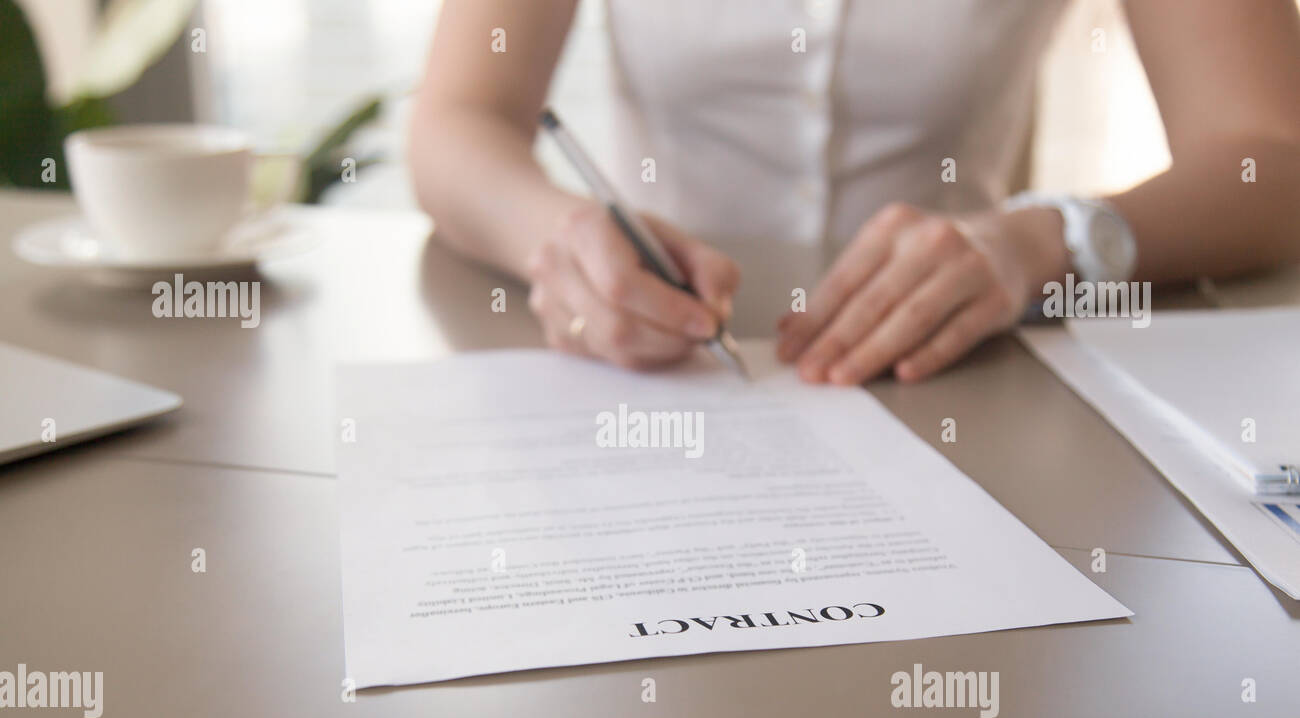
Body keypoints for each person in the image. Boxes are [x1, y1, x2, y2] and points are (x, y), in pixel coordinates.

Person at [409, 0, 1300, 384]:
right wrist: (555, 237)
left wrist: (1046, 240)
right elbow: (456, 119)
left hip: (971, 376)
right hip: (654, 371)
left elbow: (1272, 156)